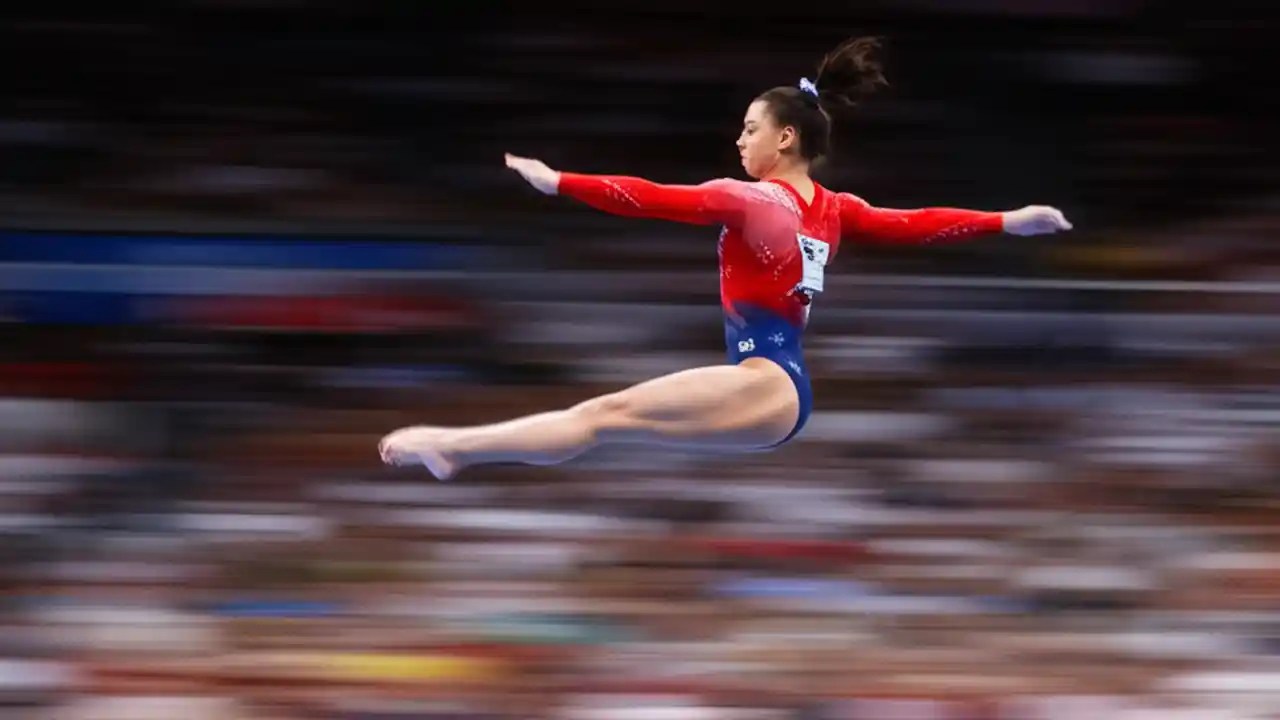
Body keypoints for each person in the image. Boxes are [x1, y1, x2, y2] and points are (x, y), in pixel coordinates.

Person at [379, 36, 1071, 480]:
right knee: (607, 421)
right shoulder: (834, 208)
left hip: (768, 382)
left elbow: (647, 197)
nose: (739, 141)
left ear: (786, 138)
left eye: (749, 129)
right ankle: (457, 449)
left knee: (603, 416)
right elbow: (922, 224)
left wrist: (560, 181)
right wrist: (1009, 222)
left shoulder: (752, 201)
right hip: (779, 392)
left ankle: (454, 447)